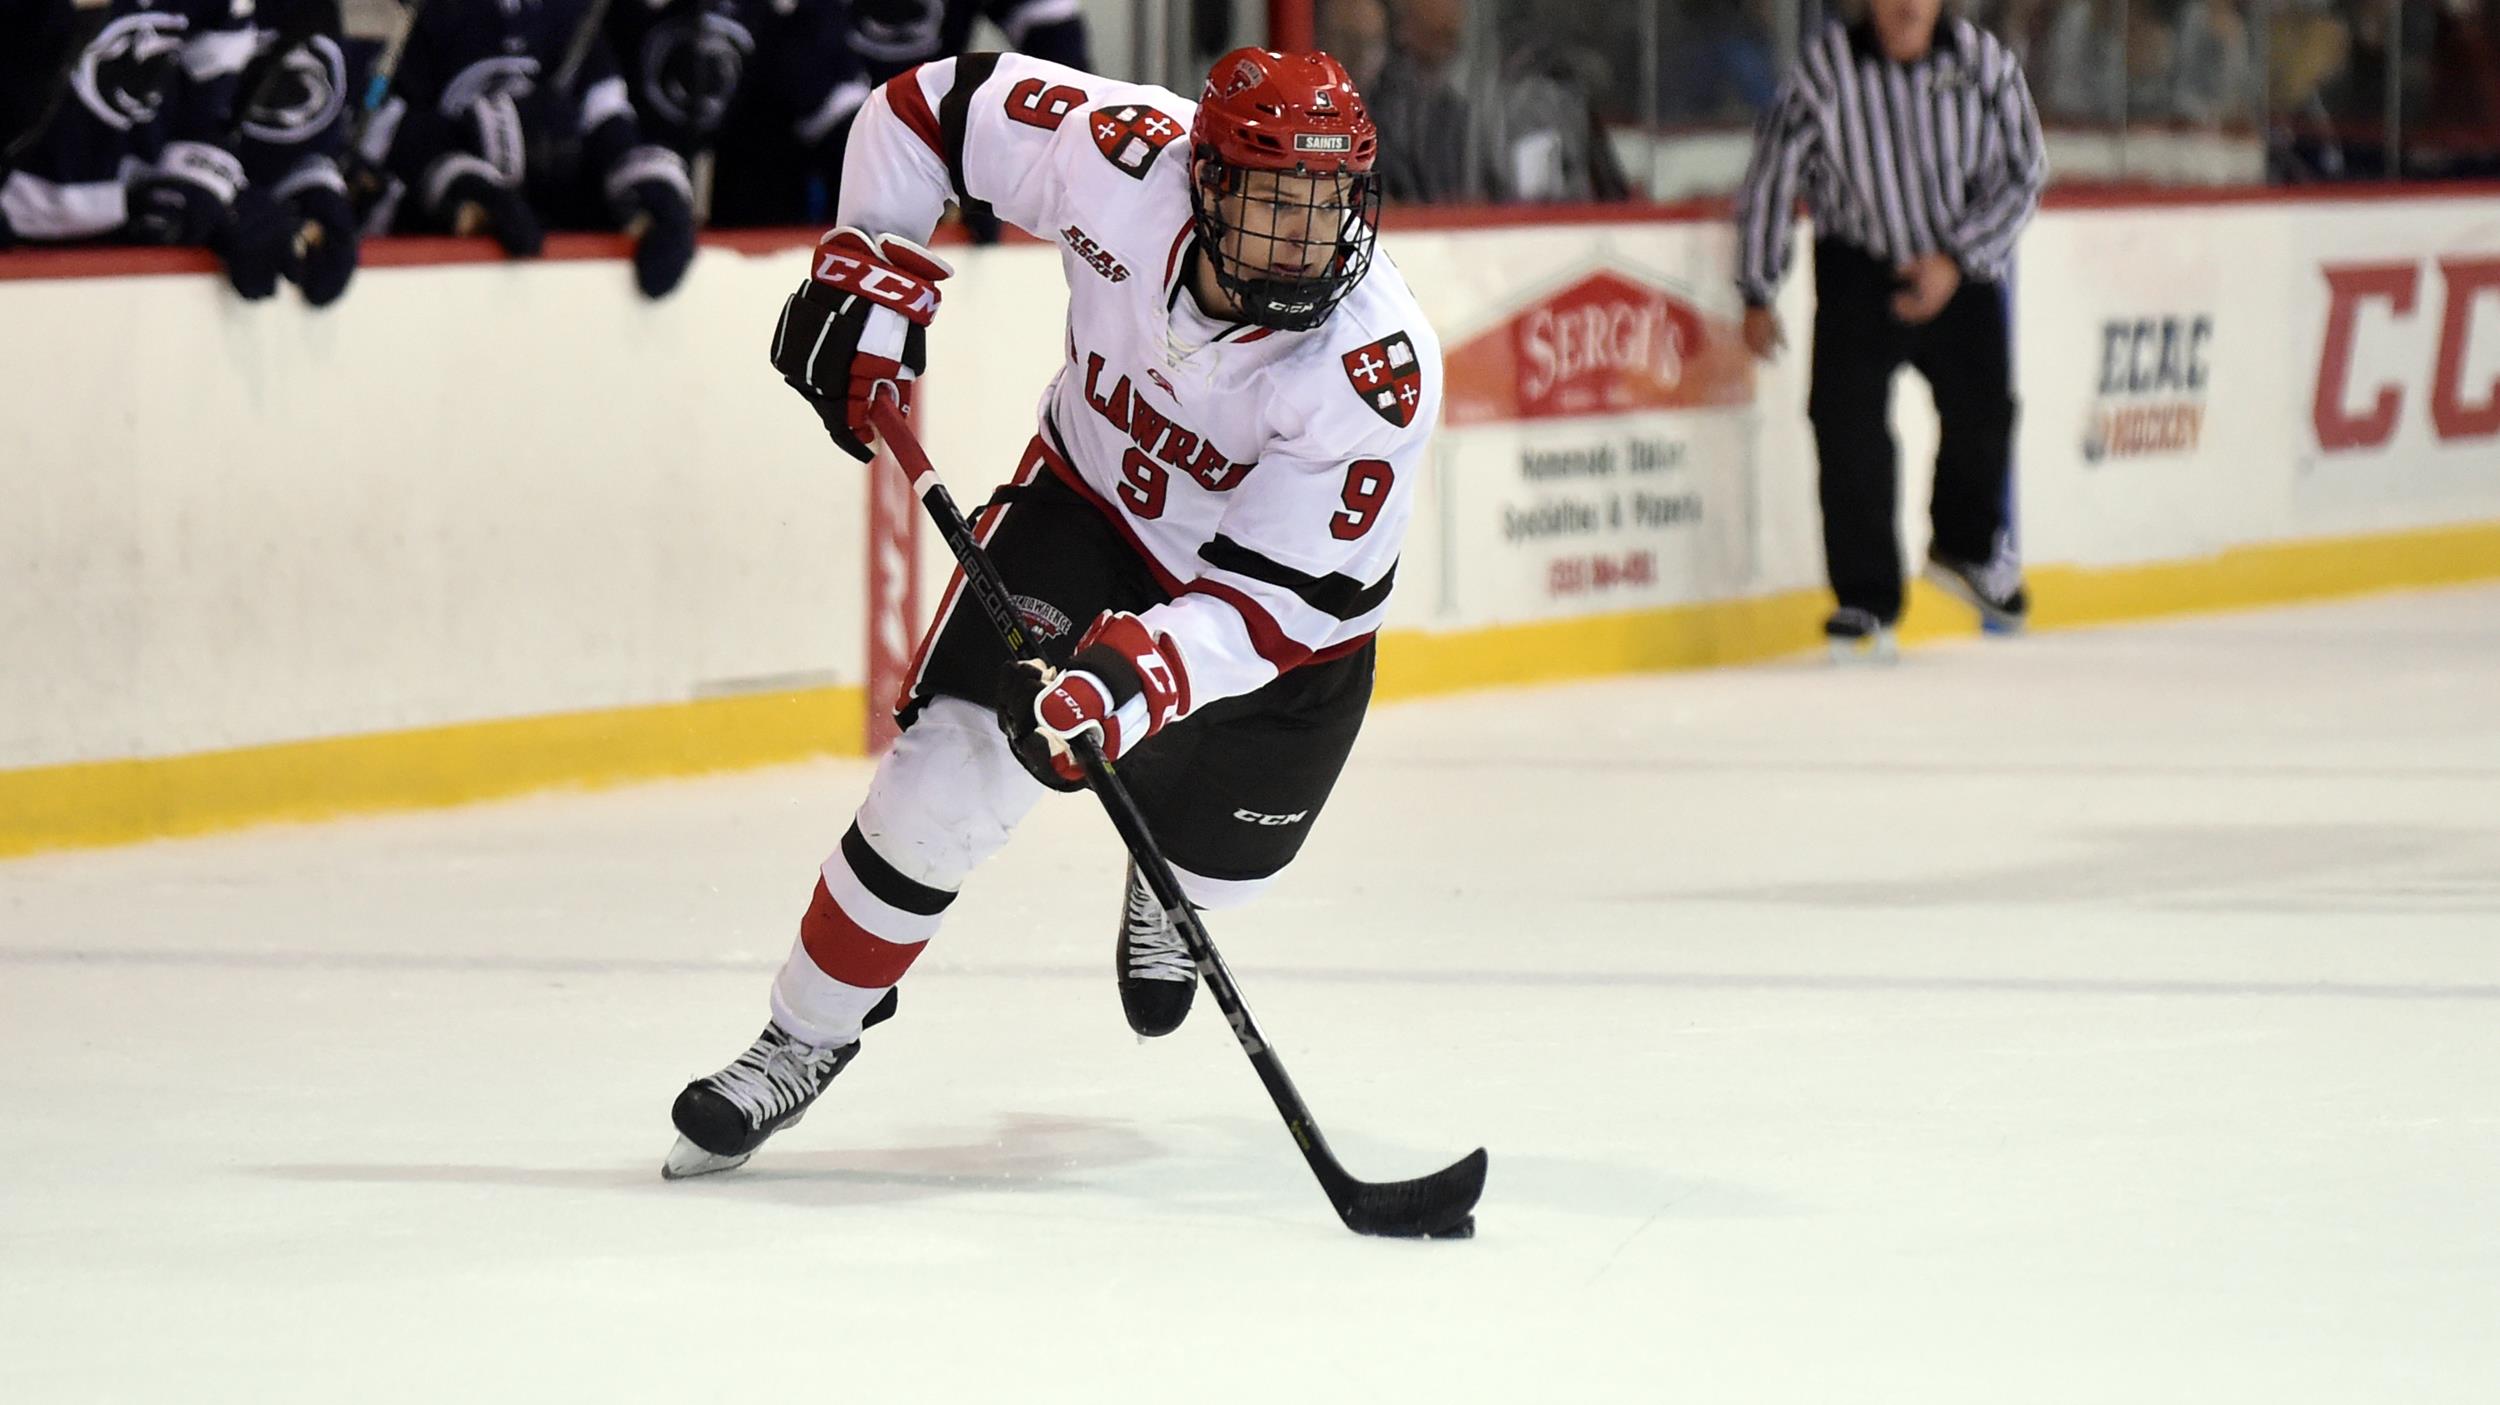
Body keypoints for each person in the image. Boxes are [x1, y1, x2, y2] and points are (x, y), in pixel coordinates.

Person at [663, 46, 1440, 1178]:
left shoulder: (1371, 367)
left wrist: (1130, 682)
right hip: (1088, 510)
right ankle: (802, 1036)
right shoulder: (1119, 156)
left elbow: (1268, 609)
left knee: (1222, 864)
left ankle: (1173, 887)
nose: (1310, 237)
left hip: (1275, 631)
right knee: (948, 774)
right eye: (1278, 202)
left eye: (1330, 206)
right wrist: (868, 264)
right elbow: (919, 109)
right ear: (1203, 183)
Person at [1732, 0, 2045, 658]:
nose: (1908, 5)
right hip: (1859, 265)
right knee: (1848, 431)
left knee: (1985, 410)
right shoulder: (1824, 72)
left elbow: (2024, 170)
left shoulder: (1980, 63)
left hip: (1959, 261)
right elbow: (1772, 176)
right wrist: (1758, 288)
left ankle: (1963, 544)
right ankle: (1866, 598)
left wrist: (1957, 260)